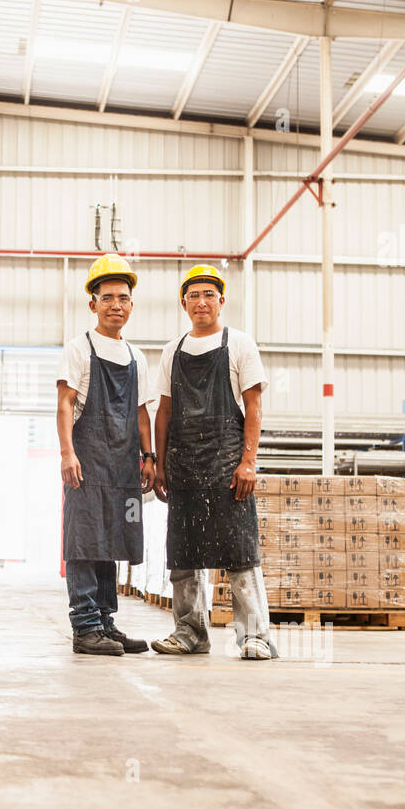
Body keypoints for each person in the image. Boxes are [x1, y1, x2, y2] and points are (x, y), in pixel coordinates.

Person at [151, 265, 277, 660]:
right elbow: (164, 412)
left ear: (221, 300)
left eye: (209, 294)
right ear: (183, 303)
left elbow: (254, 407)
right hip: (184, 463)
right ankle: (190, 631)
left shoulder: (240, 344)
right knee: (184, 552)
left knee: (240, 550)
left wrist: (248, 462)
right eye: (193, 295)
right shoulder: (173, 351)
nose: (201, 301)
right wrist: (160, 464)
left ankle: (255, 635)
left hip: (227, 463)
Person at [57, 254, 155, 656]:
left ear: (132, 305)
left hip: (122, 466)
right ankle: (84, 627)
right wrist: (67, 453)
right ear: (93, 303)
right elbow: (65, 405)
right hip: (87, 461)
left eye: (123, 298)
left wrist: (149, 457)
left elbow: (140, 412)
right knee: (84, 542)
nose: (116, 304)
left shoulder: (137, 357)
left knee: (112, 541)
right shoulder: (79, 349)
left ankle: (105, 623)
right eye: (108, 297)